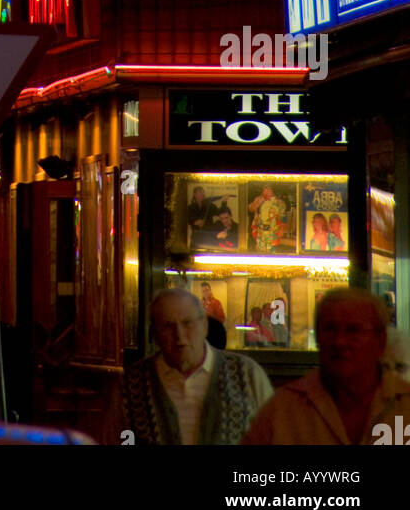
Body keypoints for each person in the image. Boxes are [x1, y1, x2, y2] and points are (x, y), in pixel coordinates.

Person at [241, 288, 410, 445]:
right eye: (330, 329)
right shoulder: (282, 410)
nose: (339, 341)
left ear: (380, 341)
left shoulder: (405, 405)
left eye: (353, 330)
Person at [116, 289, 272, 445]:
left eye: (187, 323)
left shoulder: (246, 373)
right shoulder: (132, 385)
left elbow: (275, 435)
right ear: (154, 334)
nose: (179, 335)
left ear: (204, 325)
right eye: (167, 326)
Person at [248, 186, 285, 253]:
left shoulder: (278, 202)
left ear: (272, 191)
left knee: (272, 249)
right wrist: (256, 203)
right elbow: (251, 209)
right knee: (260, 249)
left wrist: (282, 229)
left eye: (268, 189)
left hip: (272, 230)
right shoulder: (259, 200)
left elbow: (283, 216)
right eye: (264, 190)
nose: (266, 192)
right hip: (260, 230)